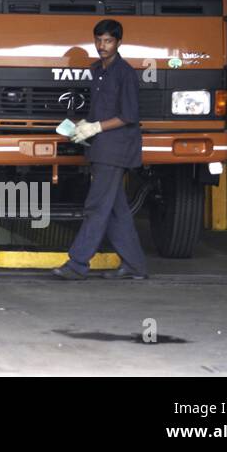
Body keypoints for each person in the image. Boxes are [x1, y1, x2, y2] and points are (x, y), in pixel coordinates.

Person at [52, 19, 150, 281]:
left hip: (115, 149)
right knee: (116, 210)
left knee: (96, 207)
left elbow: (128, 115)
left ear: (119, 43)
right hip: (102, 148)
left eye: (107, 41)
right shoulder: (97, 70)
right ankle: (135, 265)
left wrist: (96, 127)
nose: (102, 46)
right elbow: (100, 111)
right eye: (98, 40)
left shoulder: (125, 73)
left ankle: (77, 264)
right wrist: (83, 124)